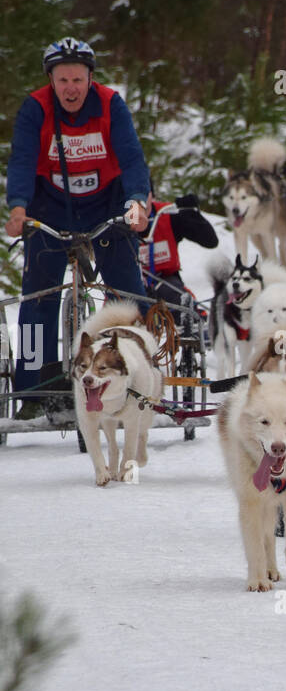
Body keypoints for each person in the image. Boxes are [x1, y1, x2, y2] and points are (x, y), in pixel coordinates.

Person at [4, 37, 150, 417]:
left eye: (78, 80)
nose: (71, 88)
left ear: (91, 79)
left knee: (128, 295)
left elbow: (132, 157)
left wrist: (137, 201)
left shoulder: (110, 105)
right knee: (40, 296)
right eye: (63, 80)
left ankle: (140, 378)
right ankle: (34, 391)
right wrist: (18, 208)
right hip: (50, 209)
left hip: (105, 207)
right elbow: (21, 160)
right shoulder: (36, 108)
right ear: (51, 81)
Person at [138, 191, 218, 320]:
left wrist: (192, 214)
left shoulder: (167, 215)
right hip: (129, 284)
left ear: (151, 195)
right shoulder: (115, 220)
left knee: (183, 307)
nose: (138, 201)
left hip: (165, 281)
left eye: (142, 194)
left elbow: (210, 241)